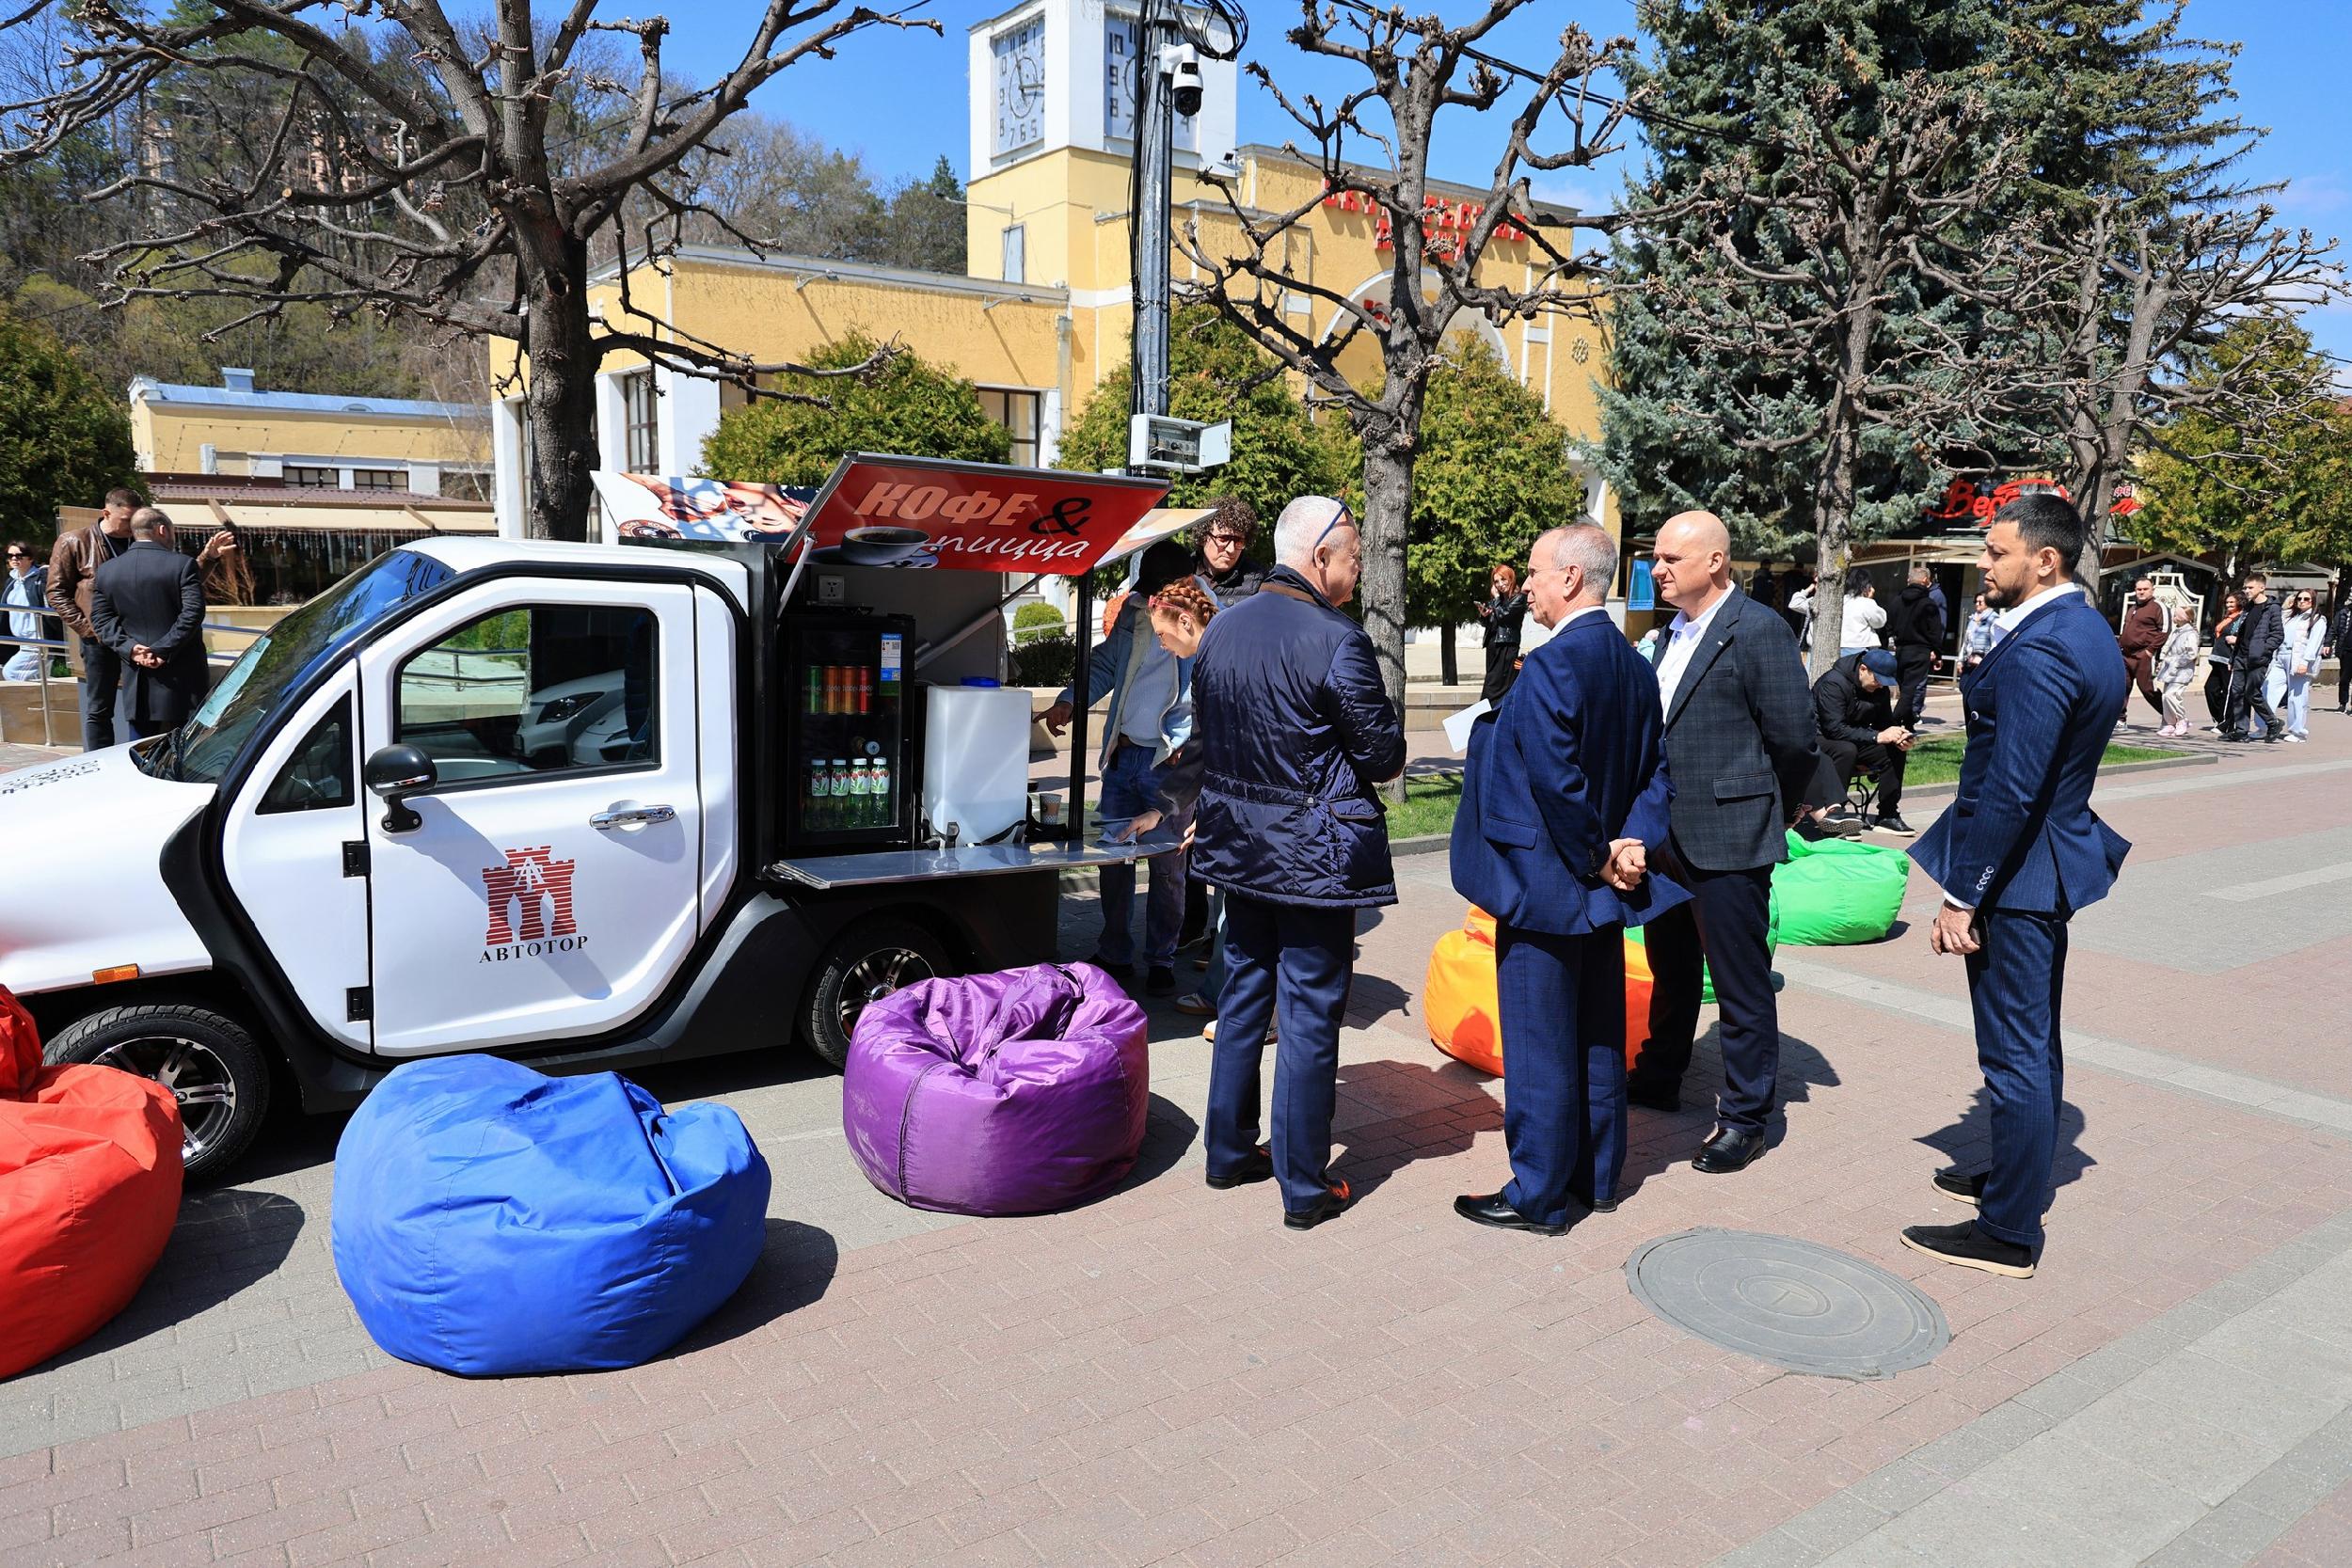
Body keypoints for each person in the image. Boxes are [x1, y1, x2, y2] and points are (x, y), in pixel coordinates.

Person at [1903, 493, 2130, 1278]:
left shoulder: (2045, 646)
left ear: (2046, 559)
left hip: (2019, 877)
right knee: (2030, 1043)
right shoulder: (2083, 628)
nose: (1983, 563)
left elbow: (2013, 786)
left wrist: (1965, 893)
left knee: (2015, 1053)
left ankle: (2007, 1229)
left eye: (1996, 552)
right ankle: (2015, 1177)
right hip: (2040, 865)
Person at [1449, 524, 1685, 1234]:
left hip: (1552, 883)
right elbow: (1656, 774)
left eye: (1535, 571)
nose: (1526, 583)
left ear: (1573, 578)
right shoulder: (1634, 664)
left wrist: (1599, 855)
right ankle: (1597, 1177)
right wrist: (1632, 843)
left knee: (1540, 1042)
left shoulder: (1555, 664)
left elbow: (1557, 779)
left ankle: (1540, 1193)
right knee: (1596, 1036)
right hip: (1601, 889)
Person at [1189, 495, 1405, 1231]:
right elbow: (1383, 755)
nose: (1358, 565)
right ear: (1318, 556)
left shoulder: (1222, 628)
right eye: (1352, 552)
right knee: (1311, 1013)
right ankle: (1304, 1185)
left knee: (1244, 994)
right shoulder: (1336, 639)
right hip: (1312, 858)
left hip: (1241, 848)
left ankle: (1225, 1150)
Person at [1624, 512, 1820, 1175]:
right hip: (1666, 837)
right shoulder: (1667, 635)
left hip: (1730, 837)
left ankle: (1744, 1117)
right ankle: (1660, 1072)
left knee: (1738, 985)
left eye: (1671, 558)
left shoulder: (1758, 630)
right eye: (1655, 557)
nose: (1658, 568)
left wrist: (1772, 811)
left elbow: (1795, 740)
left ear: (1715, 561)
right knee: (1671, 967)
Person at [1042, 540, 1200, 992]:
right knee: (1114, 860)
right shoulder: (1134, 612)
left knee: (1169, 867)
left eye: (1159, 593)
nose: (1151, 601)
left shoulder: (1204, 620)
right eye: (1146, 592)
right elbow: (1105, 664)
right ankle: (1115, 954)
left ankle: (1162, 960)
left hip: (1167, 761)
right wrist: (1069, 700)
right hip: (1124, 754)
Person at [88, 507, 206, 741]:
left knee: (139, 751)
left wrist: (131, 649)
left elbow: (101, 620)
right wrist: (162, 649)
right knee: (187, 750)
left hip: (137, 679)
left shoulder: (107, 571)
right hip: (182, 679)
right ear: (162, 530)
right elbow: (192, 612)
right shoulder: (183, 565)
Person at [47, 488, 141, 749]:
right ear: (106, 513)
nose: (130, 526)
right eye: (125, 520)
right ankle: (99, 761)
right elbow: (56, 592)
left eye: (135, 520)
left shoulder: (140, 541)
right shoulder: (74, 542)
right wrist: (88, 629)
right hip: (98, 641)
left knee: (142, 706)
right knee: (100, 708)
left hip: (138, 638)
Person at [1811, 649, 1916, 835]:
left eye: (1885, 683)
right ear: (1863, 669)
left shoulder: (1878, 688)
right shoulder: (1834, 683)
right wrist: (1877, 736)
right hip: (1821, 738)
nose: (1880, 686)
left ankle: (1888, 814)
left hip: (1854, 737)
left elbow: (1884, 723)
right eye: (1877, 680)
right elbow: (1834, 729)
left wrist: (1900, 737)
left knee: (1893, 750)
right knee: (1846, 750)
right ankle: (1836, 814)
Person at [2222, 572, 2284, 743]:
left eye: (2250, 587)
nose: (2247, 591)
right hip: (2241, 656)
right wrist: (2233, 658)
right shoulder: (2248, 608)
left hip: (2257, 658)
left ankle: (2273, 722)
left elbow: (2278, 635)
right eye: (2245, 587)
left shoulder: (2272, 608)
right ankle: (2241, 731)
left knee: (2251, 692)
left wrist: (2263, 651)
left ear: (2262, 587)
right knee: (2237, 693)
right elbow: (2242, 633)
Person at [1886, 564, 1945, 725]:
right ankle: (1895, 722)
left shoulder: (1896, 601)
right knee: (1909, 692)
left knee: (1905, 688)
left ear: (1908, 580)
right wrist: (1937, 653)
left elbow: (1888, 627)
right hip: (1920, 651)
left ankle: (1909, 721)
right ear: (1926, 581)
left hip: (1901, 651)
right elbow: (1935, 631)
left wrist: (1893, 644)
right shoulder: (1928, 604)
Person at [1189, 497, 1268, 605]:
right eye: (1223, 538)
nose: (1231, 549)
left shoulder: (1257, 582)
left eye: (1238, 541)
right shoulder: (1181, 572)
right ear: (1203, 537)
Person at [2114, 577, 2169, 727]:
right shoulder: (2133, 608)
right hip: (2125, 654)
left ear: (2152, 590)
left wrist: (2150, 651)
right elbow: (2125, 630)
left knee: (2147, 689)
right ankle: (2120, 719)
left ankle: (2171, 718)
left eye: (2145, 589)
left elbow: (2164, 630)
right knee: (2122, 686)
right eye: (2139, 589)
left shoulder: (2158, 607)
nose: (2142, 592)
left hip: (2143, 655)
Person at [1474, 563, 1529, 704]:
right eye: (1496, 581)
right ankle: (1490, 714)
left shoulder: (1519, 598)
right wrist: (1484, 615)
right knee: (1491, 682)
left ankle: (1489, 715)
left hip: (1506, 647)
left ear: (1510, 578)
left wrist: (1497, 599)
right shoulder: (1498, 600)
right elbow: (1491, 622)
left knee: (1497, 686)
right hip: (1493, 646)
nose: (1500, 584)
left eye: (1503, 579)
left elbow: (1504, 616)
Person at [2280, 588, 2326, 742]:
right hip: (2282, 656)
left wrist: (2305, 662)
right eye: (2299, 598)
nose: (2302, 602)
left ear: (2313, 601)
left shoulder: (2318, 620)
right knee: (2268, 689)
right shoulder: (2290, 617)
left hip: (2300, 659)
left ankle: (2298, 732)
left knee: (2297, 697)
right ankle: (2264, 725)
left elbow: (2314, 643)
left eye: (2306, 599)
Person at [4, 542, 49, 681]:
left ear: (30, 558)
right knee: (38, 681)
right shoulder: (12, 581)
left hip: (37, 641)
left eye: (19, 555)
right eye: (10, 556)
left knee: (11, 673)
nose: (14, 559)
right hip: (22, 641)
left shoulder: (40, 579)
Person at [2154, 609, 2201, 738]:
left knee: (2172, 695)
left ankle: (2181, 719)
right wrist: (2162, 660)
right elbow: (2168, 646)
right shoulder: (2176, 631)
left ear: (2185, 617)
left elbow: (2191, 653)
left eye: (2176, 615)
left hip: (2182, 671)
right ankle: (2169, 723)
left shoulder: (2191, 633)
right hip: (2169, 669)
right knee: (2165, 697)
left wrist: (2176, 663)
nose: (2174, 617)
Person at [2205, 591, 2243, 729]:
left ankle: (2227, 723)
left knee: (2228, 691)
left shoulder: (2241, 617)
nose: (2229, 605)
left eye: (2232, 602)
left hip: (2228, 659)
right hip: (2217, 658)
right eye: (2227, 602)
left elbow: (2244, 637)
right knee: (2210, 689)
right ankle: (2220, 718)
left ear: (2240, 602)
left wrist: (2236, 640)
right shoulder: (2227, 617)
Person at [1961, 592, 1999, 672]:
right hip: (1969, 660)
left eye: (1980, 602)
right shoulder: (1972, 619)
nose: (1977, 604)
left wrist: (1986, 661)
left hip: (1983, 662)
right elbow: (1966, 641)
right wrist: (1960, 660)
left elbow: (1995, 643)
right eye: (1976, 601)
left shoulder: (1994, 619)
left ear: (1987, 603)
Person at [2328, 586, 2351, 715]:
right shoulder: (2344, 612)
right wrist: (2328, 643)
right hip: (2346, 651)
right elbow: (2334, 629)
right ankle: (2342, 704)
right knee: (2344, 679)